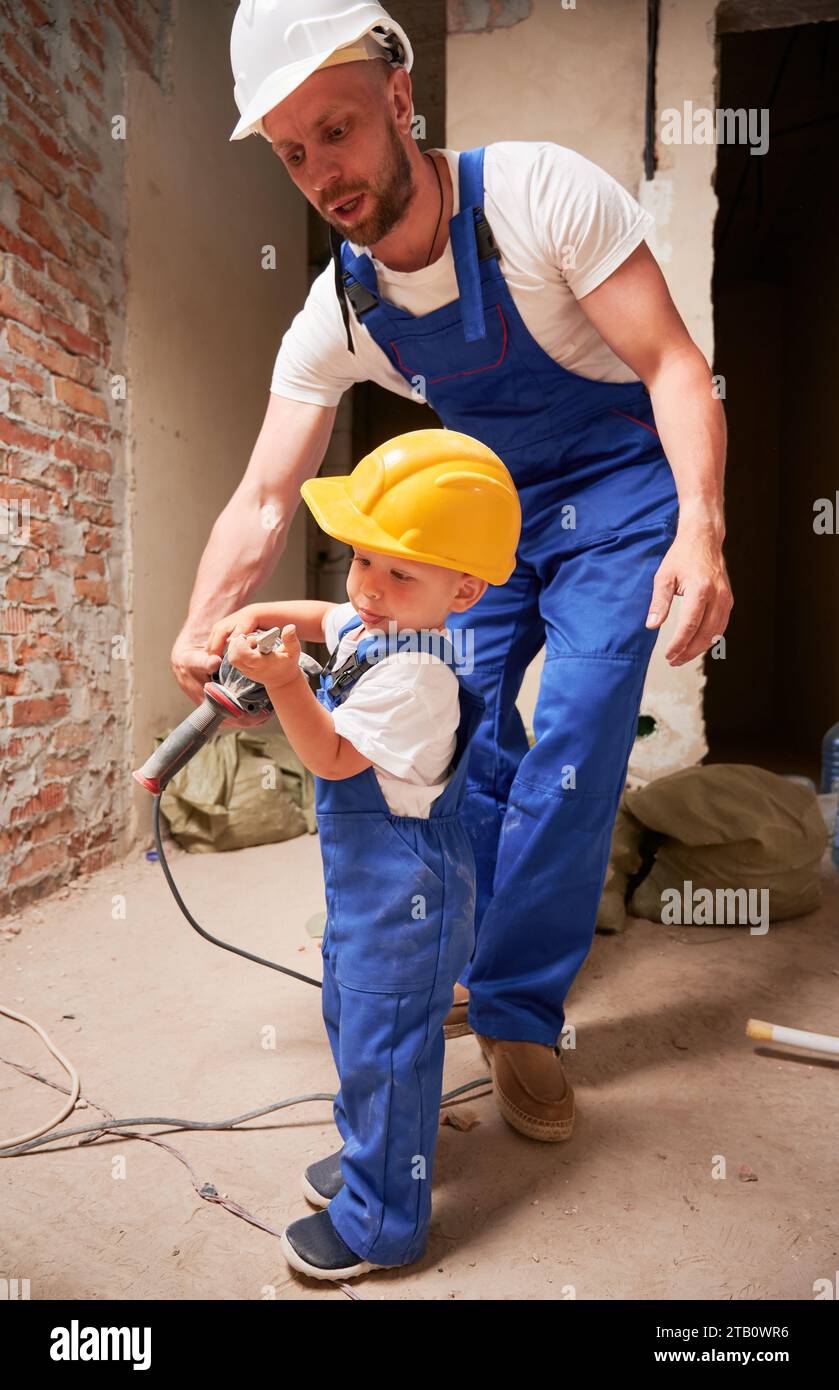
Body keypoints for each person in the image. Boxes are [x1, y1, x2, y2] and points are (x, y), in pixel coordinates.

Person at [177, 2, 733, 1146]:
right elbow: (265, 493)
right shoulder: (339, 306)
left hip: (620, 493)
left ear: (396, 93)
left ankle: (521, 1011)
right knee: (458, 733)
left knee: (574, 741)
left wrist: (700, 528)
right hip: (480, 525)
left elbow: (673, 362)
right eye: (290, 153)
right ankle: (464, 948)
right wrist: (202, 620)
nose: (319, 172)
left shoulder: (538, 196)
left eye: (333, 129)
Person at [208, 428, 522, 1279]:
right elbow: (328, 618)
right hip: (366, 898)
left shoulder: (416, 680)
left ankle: (381, 1224)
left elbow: (333, 758)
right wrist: (261, 613)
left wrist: (283, 685)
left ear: (463, 588)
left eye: (398, 573)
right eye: (359, 560)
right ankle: (377, 1162)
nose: (369, 591)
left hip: (408, 899)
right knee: (356, 1034)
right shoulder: (379, 620)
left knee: (385, 1054)